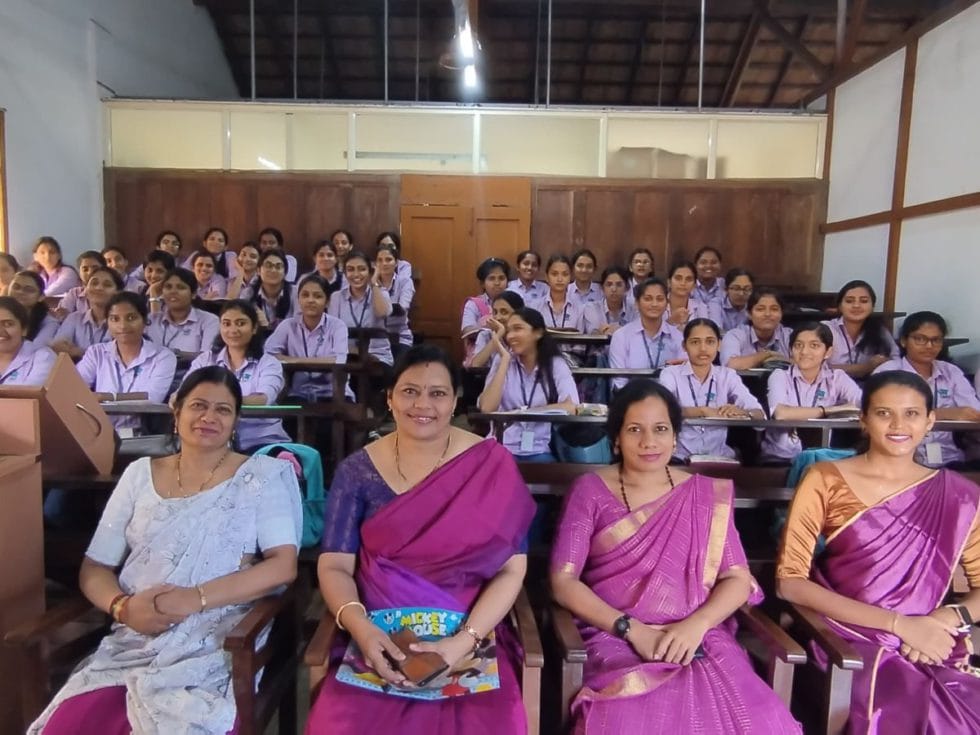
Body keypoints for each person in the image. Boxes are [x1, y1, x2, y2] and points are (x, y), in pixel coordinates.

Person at [28, 366, 302, 735]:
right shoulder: (138, 474)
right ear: (177, 413)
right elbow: (95, 567)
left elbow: (282, 567)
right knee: (73, 724)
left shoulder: (265, 476)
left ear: (236, 421)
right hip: (135, 635)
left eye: (223, 410)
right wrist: (122, 607)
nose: (208, 417)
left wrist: (195, 599)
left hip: (216, 641)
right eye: (198, 405)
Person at [305, 345, 536, 735]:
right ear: (390, 398)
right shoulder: (357, 471)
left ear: (455, 401)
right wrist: (361, 628)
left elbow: (513, 570)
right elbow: (335, 564)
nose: (422, 404)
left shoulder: (490, 464)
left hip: (469, 629)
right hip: (379, 634)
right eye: (410, 391)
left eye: (438, 393)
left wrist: (463, 641)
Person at [551, 379, 801, 735]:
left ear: (675, 436)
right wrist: (631, 630)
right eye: (635, 429)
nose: (649, 441)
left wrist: (695, 626)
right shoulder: (590, 491)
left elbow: (737, 577)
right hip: (613, 635)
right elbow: (563, 581)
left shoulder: (703, 493)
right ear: (617, 439)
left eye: (661, 429)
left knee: (756, 721)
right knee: (627, 721)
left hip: (697, 634)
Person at [776, 370, 980, 734]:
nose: (898, 424)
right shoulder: (825, 478)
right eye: (884, 413)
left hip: (931, 641)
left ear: (931, 421)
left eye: (912, 413)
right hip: (847, 639)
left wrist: (937, 623)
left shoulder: (961, 494)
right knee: (907, 711)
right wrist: (899, 625)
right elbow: (790, 583)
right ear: (864, 420)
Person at [874, 311, 980, 468]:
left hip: (950, 459)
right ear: (904, 341)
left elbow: (972, 412)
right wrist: (943, 414)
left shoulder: (951, 372)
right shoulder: (887, 372)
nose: (929, 346)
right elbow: (880, 415)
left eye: (935, 340)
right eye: (920, 339)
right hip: (901, 458)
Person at [186, 300, 292, 452]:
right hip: (213, 440)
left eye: (240, 323)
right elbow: (184, 393)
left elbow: (263, 399)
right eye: (226, 324)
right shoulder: (205, 360)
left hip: (261, 441)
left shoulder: (269, 363)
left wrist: (215, 401)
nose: (233, 330)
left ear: (254, 328)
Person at [477, 307, 579, 462]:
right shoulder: (502, 361)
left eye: (518, 329)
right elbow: (487, 407)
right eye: (508, 331)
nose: (511, 336)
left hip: (539, 448)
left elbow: (572, 406)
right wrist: (504, 360)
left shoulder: (555, 364)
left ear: (537, 333)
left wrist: (523, 412)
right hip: (501, 445)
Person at [659, 319, 764, 462]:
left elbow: (759, 414)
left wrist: (744, 413)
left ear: (719, 345)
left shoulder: (727, 375)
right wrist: (702, 411)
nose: (703, 348)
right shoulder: (670, 374)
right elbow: (661, 409)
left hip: (719, 458)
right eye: (695, 342)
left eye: (710, 342)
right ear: (684, 346)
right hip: (678, 457)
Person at [760, 322, 862, 464]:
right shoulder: (780, 376)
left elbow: (863, 404)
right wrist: (828, 411)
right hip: (781, 457)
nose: (804, 352)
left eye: (814, 345)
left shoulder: (837, 377)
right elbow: (782, 414)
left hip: (821, 456)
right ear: (790, 350)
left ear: (828, 352)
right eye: (798, 345)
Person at [76, 292, 178, 434]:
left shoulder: (163, 356)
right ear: (107, 322)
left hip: (140, 434)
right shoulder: (96, 352)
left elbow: (152, 396)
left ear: (145, 321)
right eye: (115, 319)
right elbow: (75, 388)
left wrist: (107, 397)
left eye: (131, 318)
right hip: (97, 430)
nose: (122, 326)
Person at [265, 274, 353, 402]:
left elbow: (338, 360)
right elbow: (269, 355)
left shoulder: (337, 326)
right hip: (298, 392)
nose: (310, 300)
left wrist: (293, 361)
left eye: (317, 296)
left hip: (332, 392)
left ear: (327, 302)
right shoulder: (288, 325)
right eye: (305, 295)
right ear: (298, 299)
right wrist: (319, 361)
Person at [608, 278, 684, 391]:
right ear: (637, 303)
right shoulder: (621, 336)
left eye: (660, 299)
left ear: (667, 304)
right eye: (648, 299)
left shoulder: (677, 336)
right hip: (632, 399)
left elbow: (682, 379)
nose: (654, 304)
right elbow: (619, 383)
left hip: (668, 400)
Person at [328, 250, 393, 366]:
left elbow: (382, 313)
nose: (356, 274)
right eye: (350, 269)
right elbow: (333, 332)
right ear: (344, 273)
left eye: (362, 269)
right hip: (347, 357)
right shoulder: (336, 297)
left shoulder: (381, 293)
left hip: (377, 357)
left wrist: (374, 283)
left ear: (370, 272)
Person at [822, 280, 899, 378]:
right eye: (849, 301)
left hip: (870, 387)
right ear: (840, 306)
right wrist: (865, 368)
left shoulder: (880, 331)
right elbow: (814, 367)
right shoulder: (825, 329)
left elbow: (896, 361)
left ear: (872, 306)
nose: (856, 306)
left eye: (864, 301)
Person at [49, 267, 124, 358]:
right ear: (86, 290)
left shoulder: (122, 322)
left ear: (118, 293)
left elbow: (117, 355)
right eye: (94, 283)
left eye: (107, 285)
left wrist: (78, 352)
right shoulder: (74, 318)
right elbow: (57, 347)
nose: (99, 288)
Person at [146, 268, 220, 359]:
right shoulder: (150, 320)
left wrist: (175, 354)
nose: (173, 291)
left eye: (181, 287)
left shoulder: (210, 321)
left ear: (193, 294)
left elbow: (208, 357)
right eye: (168, 287)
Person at [719, 287, 792, 369]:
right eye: (760, 309)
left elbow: (805, 364)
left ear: (781, 313)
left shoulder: (790, 336)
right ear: (749, 314)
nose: (767, 314)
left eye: (774, 309)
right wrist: (767, 354)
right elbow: (730, 365)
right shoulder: (735, 335)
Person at [461, 257, 509, 365]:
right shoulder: (474, 304)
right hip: (481, 361)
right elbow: (467, 331)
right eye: (491, 278)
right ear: (483, 283)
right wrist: (491, 328)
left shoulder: (513, 302)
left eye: (501, 278)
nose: (497, 283)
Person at [0, 296, 57, 386]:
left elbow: (26, 396)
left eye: (8, 324)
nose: (1, 331)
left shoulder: (44, 357)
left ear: (24, 329)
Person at [375, 241, 415, 359]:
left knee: (398, 369)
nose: (384, 263)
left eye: (388, 259)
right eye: (380, 260)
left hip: (399, 336)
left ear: (396, 262)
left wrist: (380, 310)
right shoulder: (371, 283)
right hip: (374, 338)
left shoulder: (405, 282)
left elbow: (401, 309)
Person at [241, 249, 298, 330]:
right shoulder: (248, 293)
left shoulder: (295, 293)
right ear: (258, 271)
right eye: (268, 265)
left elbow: (298, 326)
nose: (273, 270)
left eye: (278, 267)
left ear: (285, 273)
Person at [529, 254, 586, 334]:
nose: (560, 279)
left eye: (565, 274)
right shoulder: (534, 306)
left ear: (570, 277)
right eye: (554, 274)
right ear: (546, 277)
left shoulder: (579, 307)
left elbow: (580, 344)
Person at [469, 291, 524, 369]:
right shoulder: (485, 335)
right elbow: (475, 365)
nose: (498, 317)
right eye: (495, 312)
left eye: (504, 312)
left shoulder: (524, 337)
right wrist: (498, 336)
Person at [665, 260, 723, 328]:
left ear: (694, 285)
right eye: (678, 278)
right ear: (669, 282)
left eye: (688, 279)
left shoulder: (700, 308)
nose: (683, 283)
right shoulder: (658, 303)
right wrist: (671, 321)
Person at [9, 270, 59, 347]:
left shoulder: (49, 323)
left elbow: (35, 348)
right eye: (16, 287)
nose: (20, 292)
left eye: (29, 290)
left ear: (41, 297)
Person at [582, 266, 635, 336]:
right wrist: (624, 330)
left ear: (627, 288)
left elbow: (636, 334)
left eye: (619, 285)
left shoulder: (634, 308)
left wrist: (606, 330)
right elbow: (594, 334)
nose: (614, 289)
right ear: (602, 288)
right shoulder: (591, 308)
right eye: (609, 285)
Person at [55, 250, 106, 316]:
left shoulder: (111, 292)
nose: (90, 272)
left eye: (95, 268)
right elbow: (60, 315)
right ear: (79, 272)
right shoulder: (74, 294)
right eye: (85, 269)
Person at [720, 268, 754, 332]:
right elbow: (716, 330)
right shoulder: (717, 304)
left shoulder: (754, 307)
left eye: (746, 289)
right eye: (736, 289)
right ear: (726, 290)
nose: (741, 294)